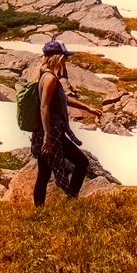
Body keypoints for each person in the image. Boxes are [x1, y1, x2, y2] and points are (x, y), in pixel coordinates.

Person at [32, 39, 92, 206]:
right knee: (82, 162)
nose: (66, 60)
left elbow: (61, 99)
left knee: (44, 173)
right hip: (52, 133)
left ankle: (39, 210)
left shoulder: (44, 74)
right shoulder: (50, 78)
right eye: (65, 57)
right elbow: (44, 107)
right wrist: (47, 137)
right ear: (57, 58)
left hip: (43, 132)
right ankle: (71, 201)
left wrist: (87, 107)